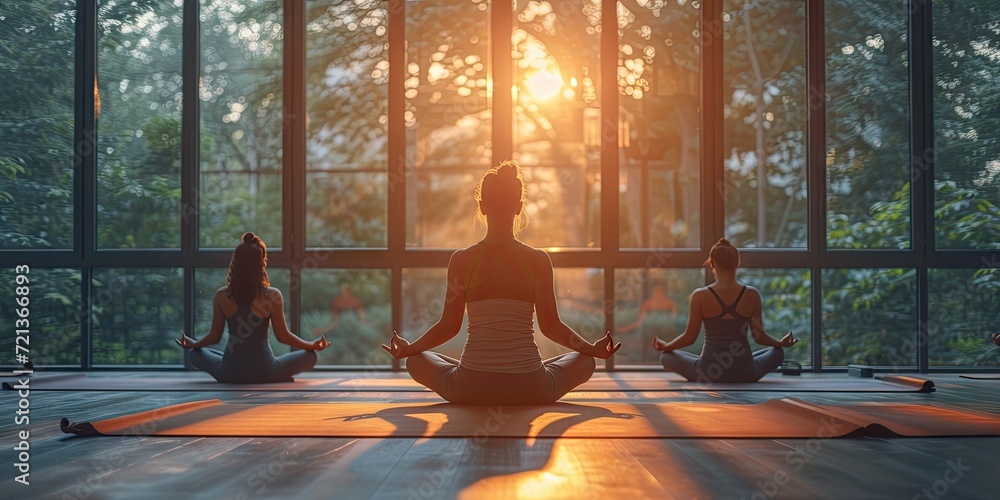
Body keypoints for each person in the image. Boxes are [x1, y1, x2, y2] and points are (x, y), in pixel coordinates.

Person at [381, 161, 620, 405]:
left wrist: (409, 349)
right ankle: (520, 374)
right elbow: (551, 327)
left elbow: (448, 327)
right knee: (585, 361)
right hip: (532, 387)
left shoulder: (462, 260)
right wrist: (592, 349)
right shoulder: (538, 260)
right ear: (518, 207)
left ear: (482, 206)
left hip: (469, 387)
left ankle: (469, 371)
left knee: (417, 360)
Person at [178, 232, 330, 383]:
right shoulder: (272, 295)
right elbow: (283, 336)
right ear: (261, 263)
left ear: (235, 262)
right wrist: (311, 345)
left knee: (196, 353)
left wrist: (194, 344)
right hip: (266, 371)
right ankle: (276, 376)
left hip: (230, 372)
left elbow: (214, 336)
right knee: (310, 356)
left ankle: (241, 370)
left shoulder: (221, 295)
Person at [653, 238, 797, 383]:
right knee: (777, 352)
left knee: (666, 356)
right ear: (738, 263)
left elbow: (689, 337)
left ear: (712, 264)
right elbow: (759, 337)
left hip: (708, 372)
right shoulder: (752, 294)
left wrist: (666, 346)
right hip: (746, 371)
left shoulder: (700, 296)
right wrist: (781, 343)